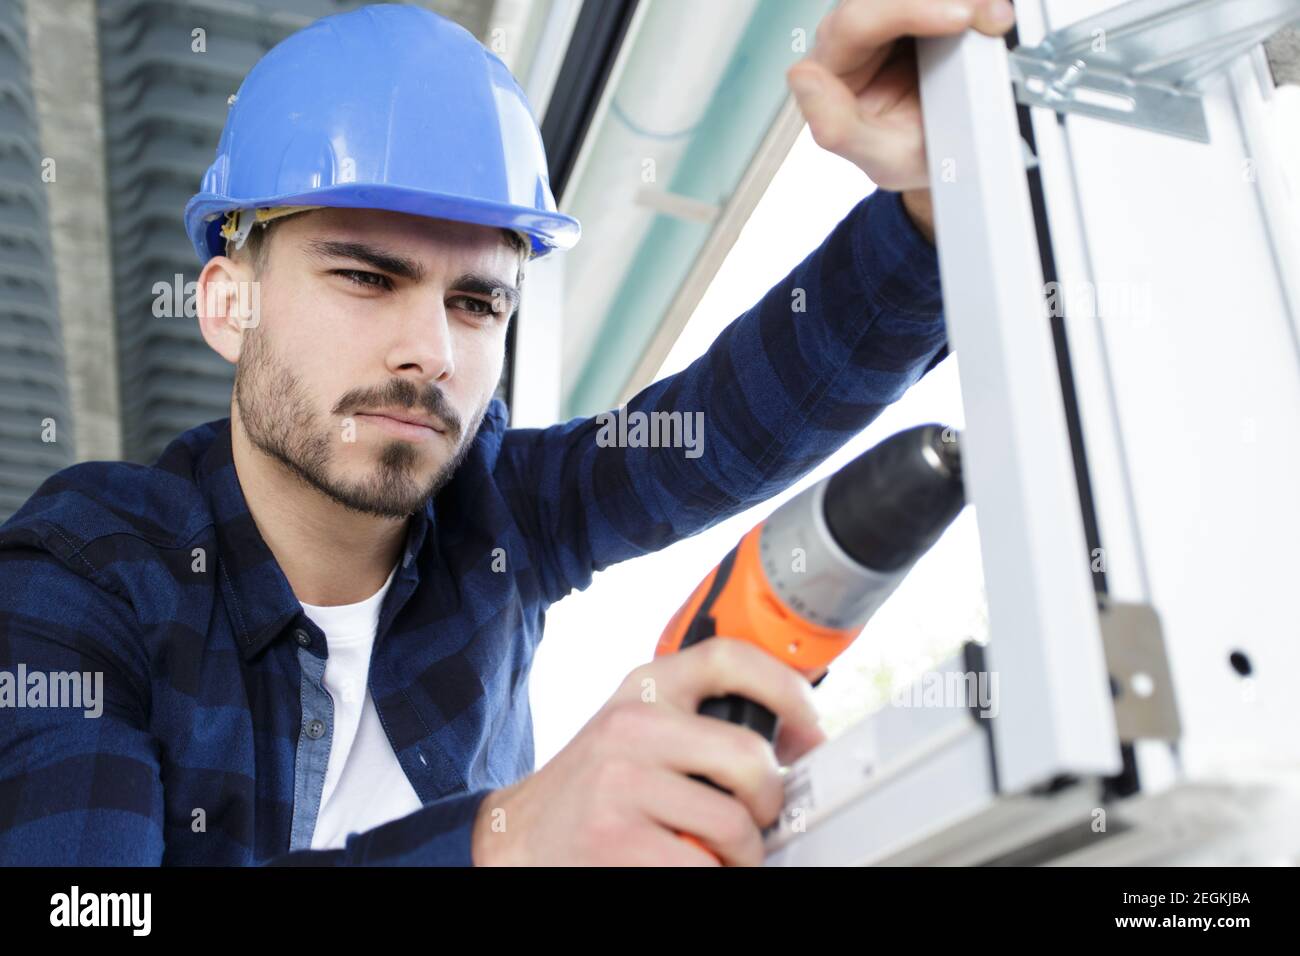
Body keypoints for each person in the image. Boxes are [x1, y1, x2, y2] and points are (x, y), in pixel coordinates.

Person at [0, 0, 1015, 866]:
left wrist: (930, 195)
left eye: (478, 302)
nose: (431, 348)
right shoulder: (81, 578)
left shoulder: (500, 515)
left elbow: (724, 423)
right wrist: (509, 838)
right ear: (228, 305)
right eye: (366, 276)